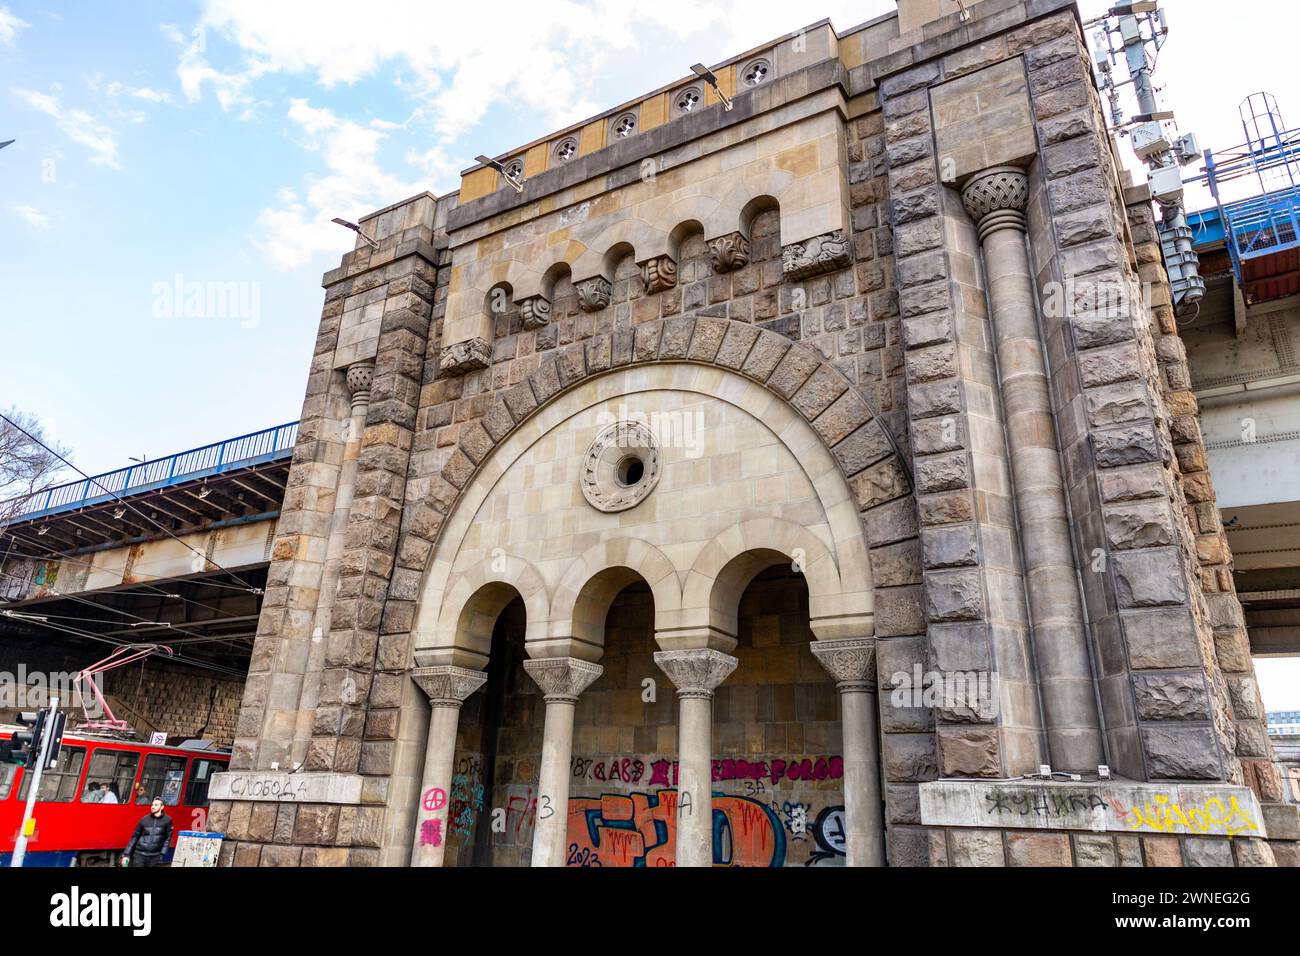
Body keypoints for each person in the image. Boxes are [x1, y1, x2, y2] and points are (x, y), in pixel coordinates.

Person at [121, 797, 173, 867]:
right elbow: (135, 837)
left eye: (156, 805)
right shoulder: (144, 819)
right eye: (152, 805)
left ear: (162, 807)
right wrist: (126, 854)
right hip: (139, 855)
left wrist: (162, 854)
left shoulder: (167, 820)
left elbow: (168, 838)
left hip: (155, 856)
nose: (153, 807)